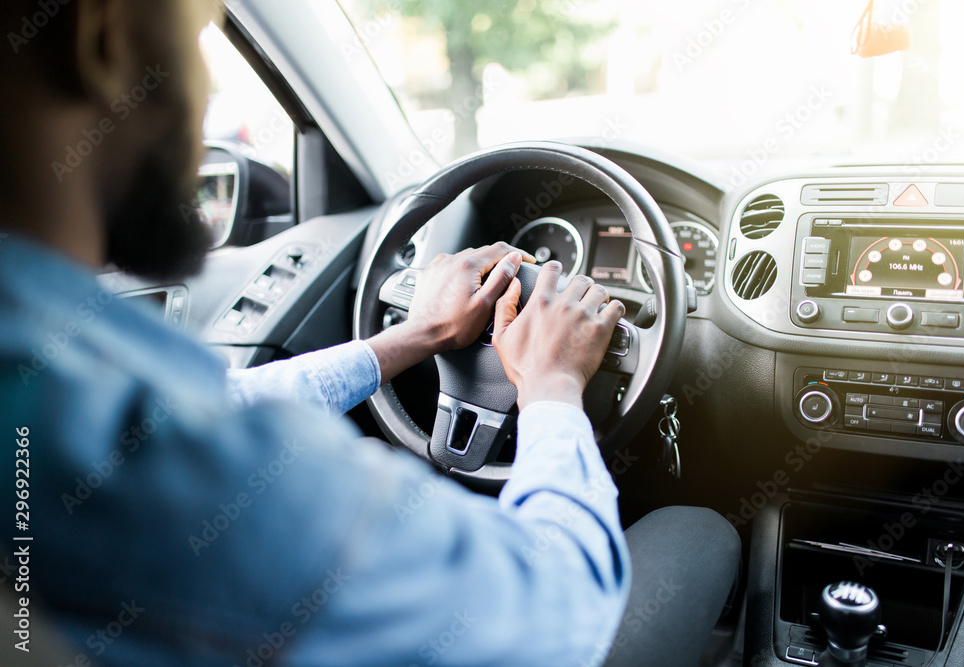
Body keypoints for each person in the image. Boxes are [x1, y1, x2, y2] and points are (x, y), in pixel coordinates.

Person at [0, 1, 740, 665]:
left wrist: (411, 338)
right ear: (106, 38)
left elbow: (231, 397)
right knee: (700, 530)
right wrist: (551, 385)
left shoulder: (54, 387)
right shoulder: (167, 463)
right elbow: (555, 613)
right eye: (202, 37)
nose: (206, 93)